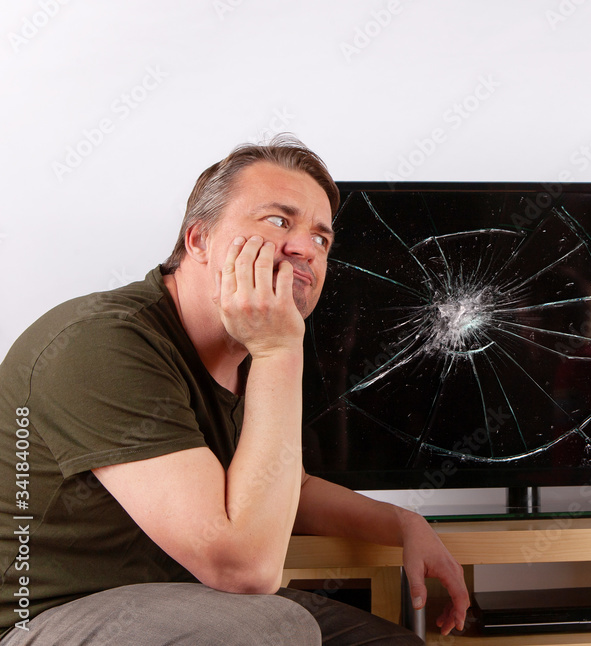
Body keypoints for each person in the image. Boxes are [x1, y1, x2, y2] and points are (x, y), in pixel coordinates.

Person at [0, 136, 469, 644]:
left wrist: (402, 523)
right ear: (198, 240)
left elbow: (287, 486)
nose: (305, 249)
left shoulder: (248, 351)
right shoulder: (102, 342)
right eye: (278, 221)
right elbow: (244, 568)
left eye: (321, 238)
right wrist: (278, 349)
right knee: (272, 626)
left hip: (184, 601)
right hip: (41, 618)